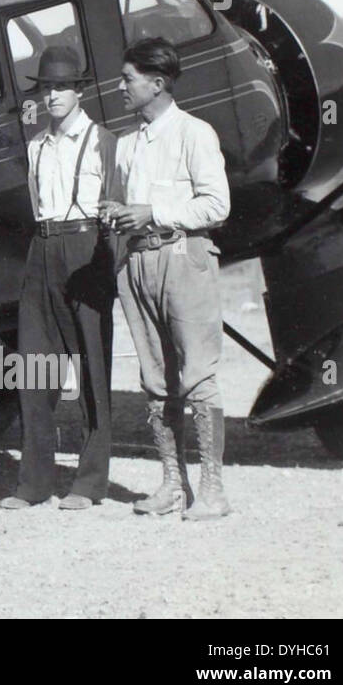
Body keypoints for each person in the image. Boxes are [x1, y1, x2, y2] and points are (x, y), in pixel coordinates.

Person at [102, 37, 232, 520]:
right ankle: (172, 485)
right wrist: (119, 215)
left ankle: (212, 490)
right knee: (155, 379)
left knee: (197, 373)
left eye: (127, 79)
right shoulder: (127, 144)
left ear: (157, 84)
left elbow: (217, 205)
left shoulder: (195, 133)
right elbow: (131, 209)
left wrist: (152, 212)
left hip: (183, 258)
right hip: (136, 265)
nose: (119, 86)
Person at [0, 48, 118, 512]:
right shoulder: (36, 146)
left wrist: (105, 266)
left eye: (61, 86)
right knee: (35, 369)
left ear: (80, 90)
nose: (53, 94)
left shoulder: (104, 141)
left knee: (92, 368)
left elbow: (114, 205)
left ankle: (89, 484)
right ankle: (34, 484)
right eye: (46, 87)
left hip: (86, 248)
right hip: (42, 248)